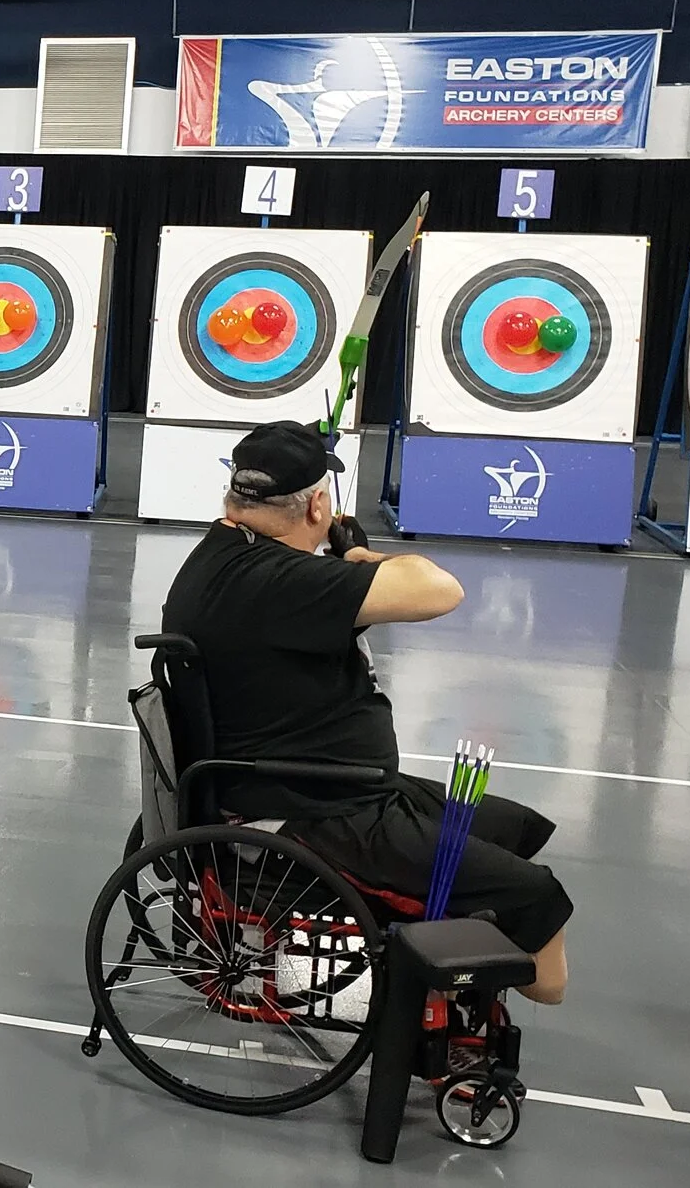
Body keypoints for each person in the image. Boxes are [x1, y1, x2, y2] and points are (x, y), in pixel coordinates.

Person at [159, 420, 571, 1004]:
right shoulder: (284, 582)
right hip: (326, 811)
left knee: (510, 827)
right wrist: (353, 549)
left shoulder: (226, 556)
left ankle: (455, 962)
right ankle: (510, 990)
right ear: (316, 506)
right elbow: (438, 588)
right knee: (534, 894)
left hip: (323, 784)